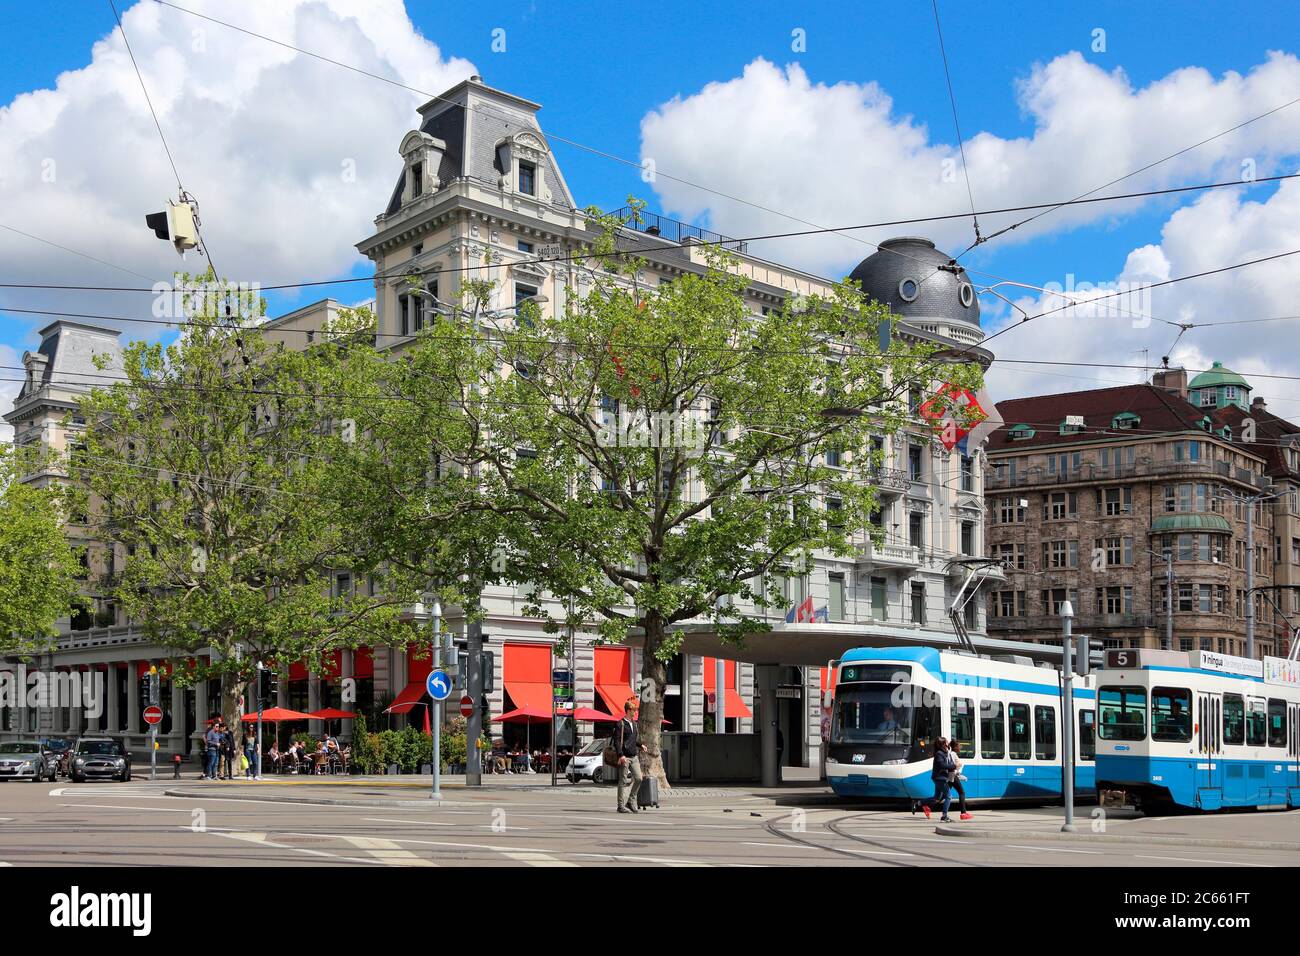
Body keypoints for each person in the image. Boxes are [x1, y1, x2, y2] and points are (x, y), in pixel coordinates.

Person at [614, 700, 646, 814]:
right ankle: (620, 805)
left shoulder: (634, 723)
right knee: (622, 781)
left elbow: (633, 740)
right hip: (625, 757)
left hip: (634, 756)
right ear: (628, 710)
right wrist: (620, 755)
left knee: (639, 778)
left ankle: (631, 801)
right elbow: (617, 742)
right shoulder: (620, 724)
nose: (635, 712)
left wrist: (640, 745)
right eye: (634, 710)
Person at [919, 736, 955, 823]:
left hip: (941, 777)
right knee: (949, 796)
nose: (948, 743)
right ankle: (944, 816)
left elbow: (947, 763)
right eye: (946, 742)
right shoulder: (939, 753)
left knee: (937, 797)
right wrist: (953, 766)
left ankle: (919, 803)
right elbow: (942, 765)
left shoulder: (945, 752)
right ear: (943, 744)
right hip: (940, 778)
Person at [948, 738, 972, 821]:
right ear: (955, 747)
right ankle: (963, 813)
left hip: (953, 776)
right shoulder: (953, 754)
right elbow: (953, 766)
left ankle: (925, 804)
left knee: (943, 796)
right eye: (959, 746)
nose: (960, 747)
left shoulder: (952, 754)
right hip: (953, 776)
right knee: (962, 793)